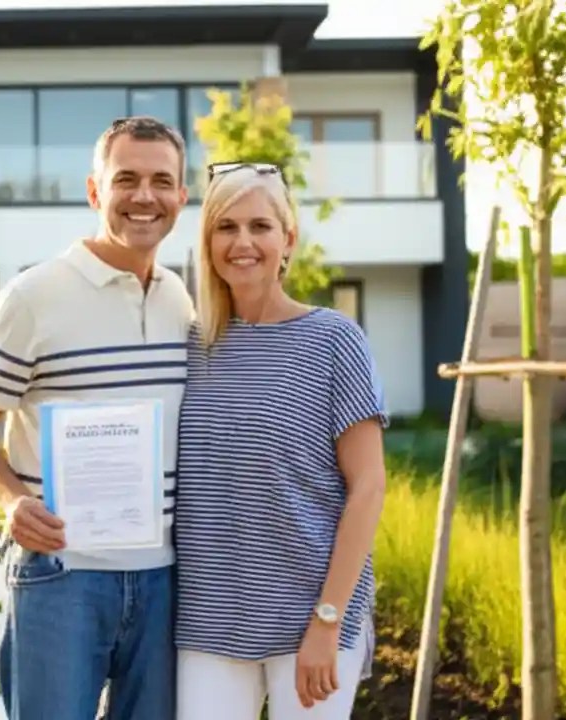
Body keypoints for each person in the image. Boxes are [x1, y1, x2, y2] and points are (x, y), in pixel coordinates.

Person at [0, 116, 194, 720]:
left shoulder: (181, 299)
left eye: (162, 181)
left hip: (164, 579)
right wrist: (11, 503)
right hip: (61, 577)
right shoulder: (32, 295)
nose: (145, 196)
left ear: (181, 198)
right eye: (126, 179)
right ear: (95, 192)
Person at [172, 162, 389, 719]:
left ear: (287, 239)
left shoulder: (334, 339)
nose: (242, 242)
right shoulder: (191, 345)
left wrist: (328, 620)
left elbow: (367, 487)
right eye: (226, 227)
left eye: (259, 226)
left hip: (309, 616)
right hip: (208, 619)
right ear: (207, 242)